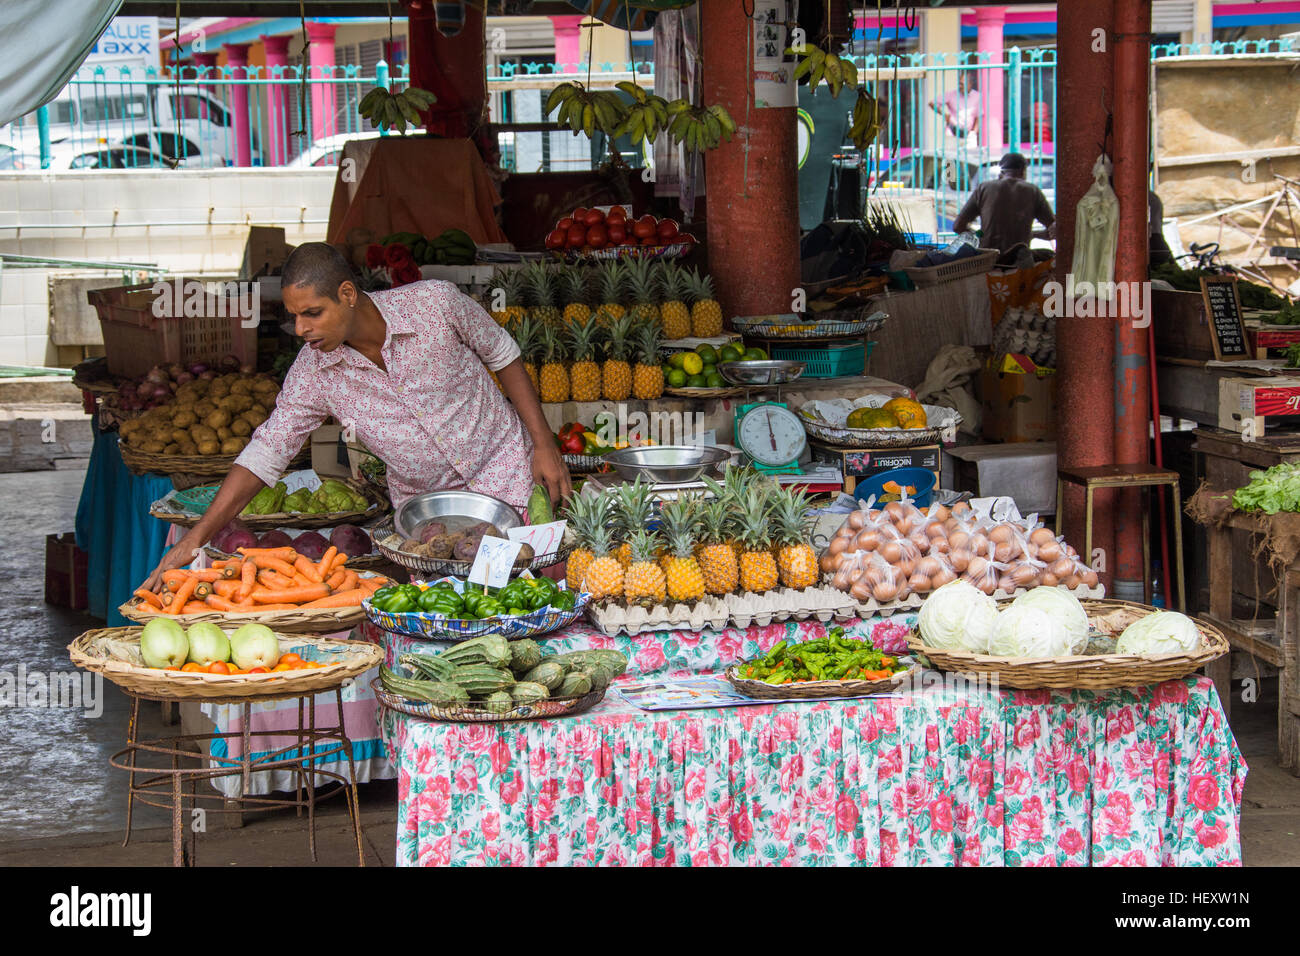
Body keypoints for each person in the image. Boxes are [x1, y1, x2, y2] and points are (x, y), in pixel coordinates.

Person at [143, 242, 569, 590]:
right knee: (458, 618)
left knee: (531, 598)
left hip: (507, 477)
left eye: (312, 313)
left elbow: (503, 354)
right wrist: (196, 537)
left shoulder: (435, 305)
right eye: (293, 317)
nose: (302, 329)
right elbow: (268, 450)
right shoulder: (314, 372)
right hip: (430, 522)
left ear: (347, 294)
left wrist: (545, 444)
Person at [952, 152, 1057, 255]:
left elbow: (958, 226)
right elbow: (1054, 228)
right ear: (1023, 172)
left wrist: (981, 236)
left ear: (1001, 173)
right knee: (1048, 255)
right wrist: (1032, 235)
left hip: (988, 259)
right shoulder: (1033, 191)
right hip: (1018, 259)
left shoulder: (983, 188)